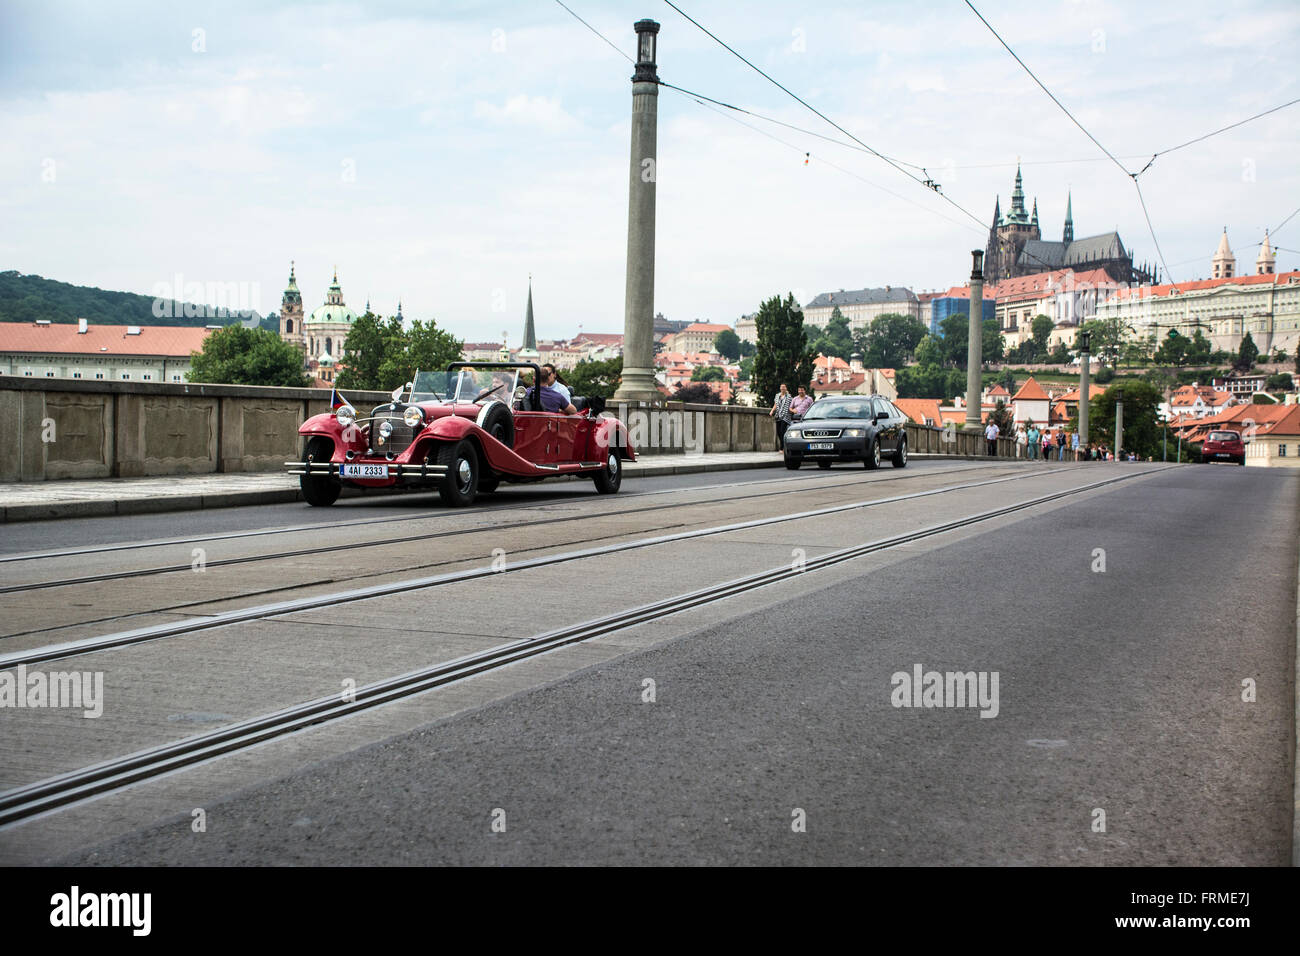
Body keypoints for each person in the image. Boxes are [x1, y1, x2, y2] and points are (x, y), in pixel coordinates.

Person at [770, 384, 793, 452]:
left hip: (785, 416)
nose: (783, 388)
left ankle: (782, 447)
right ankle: (784, 445)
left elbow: (792, 405)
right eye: (781, 387)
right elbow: (775, 404)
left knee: (782, 431)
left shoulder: (789, 396)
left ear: (786, 388)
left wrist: (793, 410)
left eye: (784, 387)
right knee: (778, 432)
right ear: (780, 388)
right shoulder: (777, 395)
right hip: (778, 415)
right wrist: (772, 411)